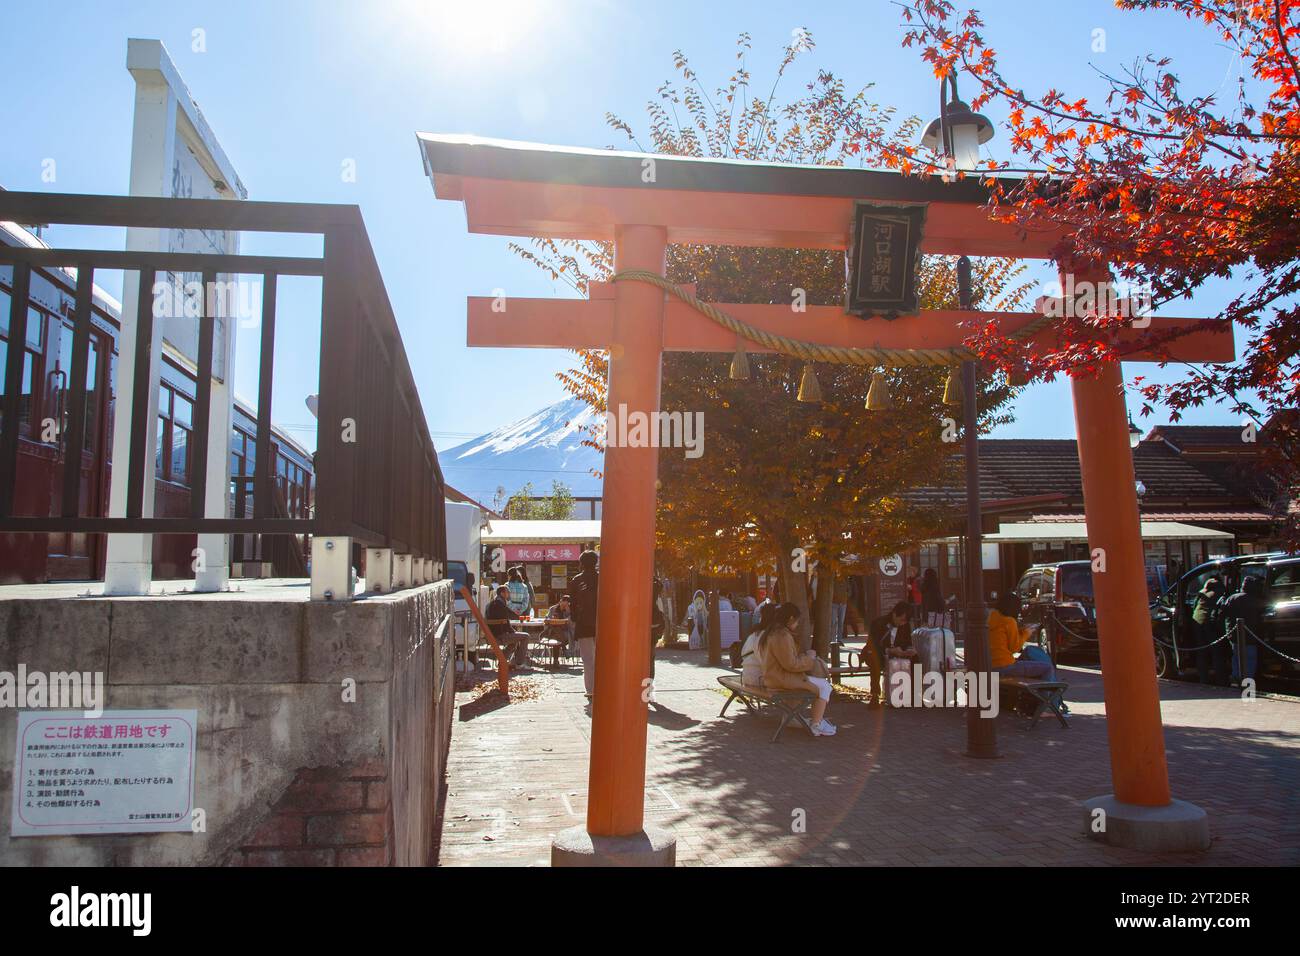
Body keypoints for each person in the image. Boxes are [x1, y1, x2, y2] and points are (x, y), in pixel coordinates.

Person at [758, 603, 836, 736]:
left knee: (821, 685)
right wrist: (809, 659)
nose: (797, 625)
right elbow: (791, 664)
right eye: (797, 621)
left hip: (775, 677)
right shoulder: (782, 635)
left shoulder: (771, 632)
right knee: (825, 686)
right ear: (791, 618)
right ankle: (816, 724)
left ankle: (811, 721)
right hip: (782, 679)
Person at [988, 592, 1057, 682]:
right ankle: (1050, 694)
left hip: (992, 665)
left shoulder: (992, 617)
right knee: (1047, 668)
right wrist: (1026, 633)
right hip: (1004, 667)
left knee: (1029, 651)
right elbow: (1015, 648)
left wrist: (1020, 631)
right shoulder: (1009, 621)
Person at [868, 601, 916, 707]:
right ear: (894, 614)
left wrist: (909, 650)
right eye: (901, 619)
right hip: (878, 653)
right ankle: (875, 694)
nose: (902, 623)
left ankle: (914, 694)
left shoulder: (905, 625)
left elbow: (907, 642)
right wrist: (889, 650)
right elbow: (873, 645)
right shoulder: (878, 623)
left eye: (905, 621)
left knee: (916, 659)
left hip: (898, 654)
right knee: (875, 659)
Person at [1222, 575, 1267, 685]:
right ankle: (1247, 683)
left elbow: (1223, 612)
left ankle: (1236, 680)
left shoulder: (1232, 598)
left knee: (1236, 658)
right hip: (1251, 635)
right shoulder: (1256, 600)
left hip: (1234, 635)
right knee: (1250, 660)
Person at [570, 550, 600, 699]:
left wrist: (575, 619)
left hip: (583, 625)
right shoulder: (603, 578)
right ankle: (603, 687)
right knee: (603, 659)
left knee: (588, 660)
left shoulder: (576, 580)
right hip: (603, 623)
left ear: (581, 563)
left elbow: (573, 605)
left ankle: (591, 690)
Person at [1192, 576, 1228, 685]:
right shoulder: (1220, 593)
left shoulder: (1201, 594)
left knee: (1202, 651)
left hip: (1197, 621)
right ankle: (1221, 680)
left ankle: (1203, 678)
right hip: (1210, 623)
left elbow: (1194, 606)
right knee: (1216, 652)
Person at [484, 585, 531, 666]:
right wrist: (513, 632)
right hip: (500, 635)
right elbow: (505, 623)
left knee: (514, 641)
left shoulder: (490, 604)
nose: (509, 594)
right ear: (502, 593)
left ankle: (502, 661)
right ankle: (519, 663)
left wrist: (513, 632)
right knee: (526, 636)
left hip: (491, 635)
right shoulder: (500, 605)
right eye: (507, 592)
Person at [738, 603, 775, 686]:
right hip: (759, 679)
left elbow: (743, 654)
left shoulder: (754, 633)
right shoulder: (768, 635)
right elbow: (766, 662)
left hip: (746, 676)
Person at [830, 576, 849, 645]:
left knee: (841, 622)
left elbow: (849, 590)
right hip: (834, 603)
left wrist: (846, 597)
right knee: (833, 621)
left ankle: (839, 639)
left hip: (843, 603)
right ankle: (832, 639)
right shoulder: (833, 581)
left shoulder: (846, 581)